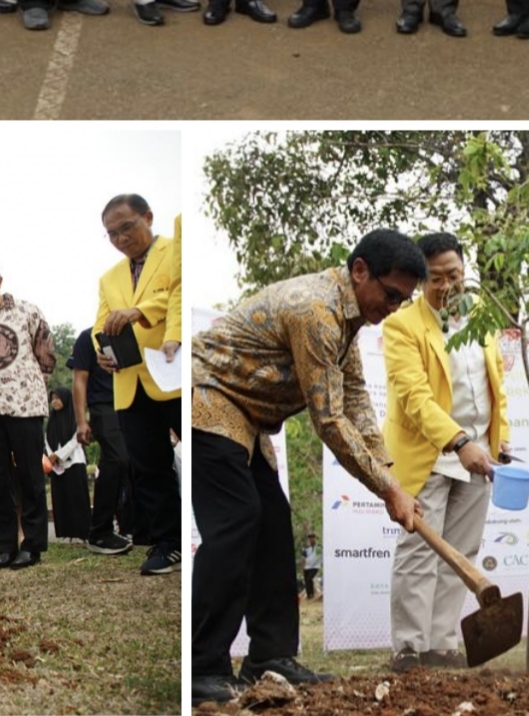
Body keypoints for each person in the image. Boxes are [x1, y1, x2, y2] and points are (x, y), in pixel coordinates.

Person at [191, 230, 426, 705]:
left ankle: (270, 656)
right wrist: (387, 490)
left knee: (274, 525)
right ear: (360, 271)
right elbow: (330, 420)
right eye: (390, 295)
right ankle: (201, 665)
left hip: (247, 418)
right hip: (209, 397)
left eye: (402, 300)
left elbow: (355, 396)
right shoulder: (315, 310)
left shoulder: (347, 317)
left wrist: (389, 474)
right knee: (237, 520)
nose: (394, 308)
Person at [383, 232, 509, 670]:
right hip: (430, 453)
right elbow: (414, 397)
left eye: (453, 275)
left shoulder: (480, 318)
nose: (447, 285)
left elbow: (496, 384)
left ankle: (441, 642)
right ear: (421, 281)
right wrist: (459, 442)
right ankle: (409, 645)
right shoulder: (402, 325)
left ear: (464, 271)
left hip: (479, 454)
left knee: (462, 550)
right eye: (435, 278)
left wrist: (499, 436)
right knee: (420, 549)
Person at [96, 196, 182, 577]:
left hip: (173, 375)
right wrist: (103, 352)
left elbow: (177, 294)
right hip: (129, 383)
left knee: (202, 457)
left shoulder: (175, 249)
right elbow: (101, 324)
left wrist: (139, 311)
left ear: (148, 217)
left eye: (126, 227)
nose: (120, 238)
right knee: (148, 467)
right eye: (112, 233)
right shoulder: (109, 278)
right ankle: (169, 543)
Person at [0, 260, 57, 571]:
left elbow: (46, 353)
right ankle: (5, 546)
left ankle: (32, 545)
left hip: (25, 405)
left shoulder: (27, 311)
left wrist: (33, 385)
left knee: (30, 476)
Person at [70, 326, 136, 554]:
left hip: (134, 403)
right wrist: (81, 421)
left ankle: (142, 529)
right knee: (117, 459)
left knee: (138, 465)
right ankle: (100, 531)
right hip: (103, 405)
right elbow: (79, 379)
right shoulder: (88, 337)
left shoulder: (139, 331)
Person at [46, 388, 93, 543]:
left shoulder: (75, 420)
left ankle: (82, 533)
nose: (55, 402)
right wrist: (51, 455)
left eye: (58, 398)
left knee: (77, 499)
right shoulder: (52, 420)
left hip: (74, 462)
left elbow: (75, 441)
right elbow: (47, 439)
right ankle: (65, 533)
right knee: (61, 500)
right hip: (57, 467)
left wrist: (58, 455)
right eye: (53, 399)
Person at [302, 533, 321, 600]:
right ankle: (309, 595)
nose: (311, 539)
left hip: (315, 566)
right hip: (307, 567)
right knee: (306, 581)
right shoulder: (306, 548)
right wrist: (303, 567)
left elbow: (319, 557)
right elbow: (303, 558)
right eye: (310, 538)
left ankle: (312, 594)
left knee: (309, 578)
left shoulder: (318, 547)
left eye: (312, 537)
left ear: (315, 538)